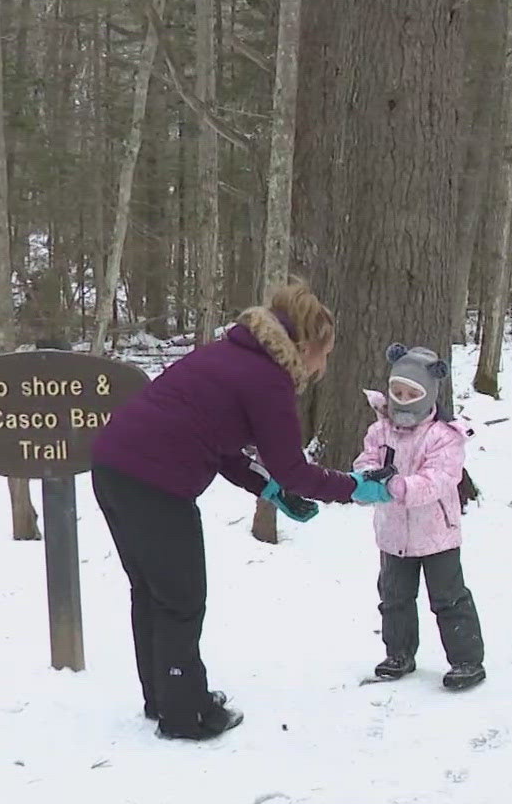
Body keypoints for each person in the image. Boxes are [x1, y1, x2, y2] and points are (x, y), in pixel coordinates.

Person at [89, 280, 393, 741]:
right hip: (154, 484)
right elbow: (294, 469)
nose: (324, 366)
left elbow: (221, 445)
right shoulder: (267, 379)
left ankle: (166, 698)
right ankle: (184, 716)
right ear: (305, 347)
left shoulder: (231, 355)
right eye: (325, 354)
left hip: (113, 467)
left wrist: (269, 489)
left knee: (152, 593)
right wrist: (354, 488)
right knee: (180, 599)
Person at [353, 344, 486, 691]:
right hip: (393, 533)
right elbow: (367, 460)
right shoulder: (380, 431)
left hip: (437, 534)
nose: (403, 401)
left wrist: (399, 487)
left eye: (412, 394)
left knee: (448, 597)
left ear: (428, 396)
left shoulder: (444, 436)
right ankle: (399, 653)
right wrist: (366, 480)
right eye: (397, 392)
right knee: (394, 596)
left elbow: (439, 479)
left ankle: (466, 660)